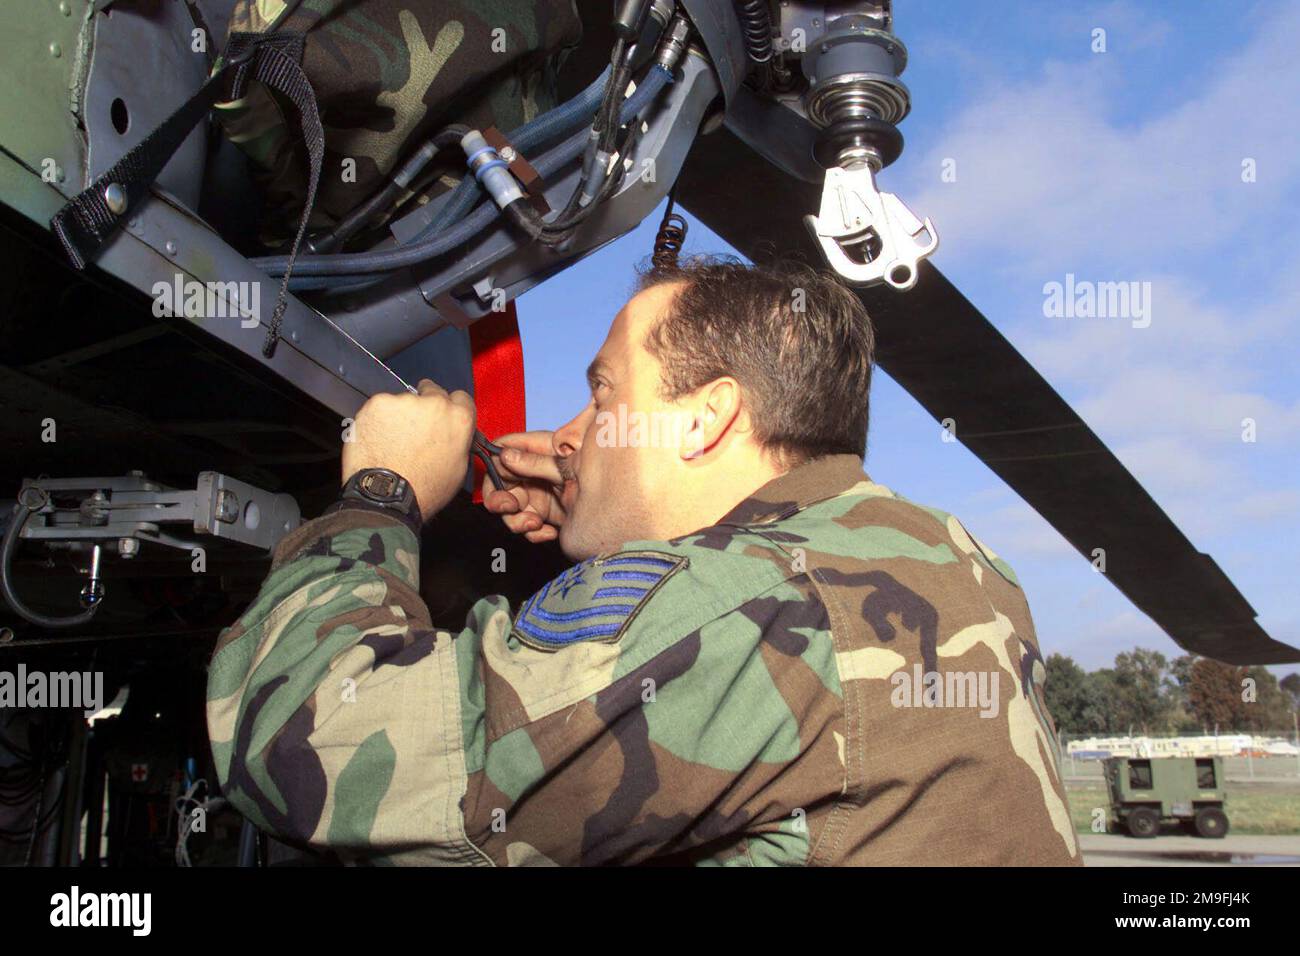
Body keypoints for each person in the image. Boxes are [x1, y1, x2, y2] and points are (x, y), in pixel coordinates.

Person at [206, 256, 1081, 866]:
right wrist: (612, 522)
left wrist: (382, 493)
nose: (574, 431)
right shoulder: (950, 554)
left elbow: (302, 739)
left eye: (603, 393)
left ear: (705, 419)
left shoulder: (748, 604)